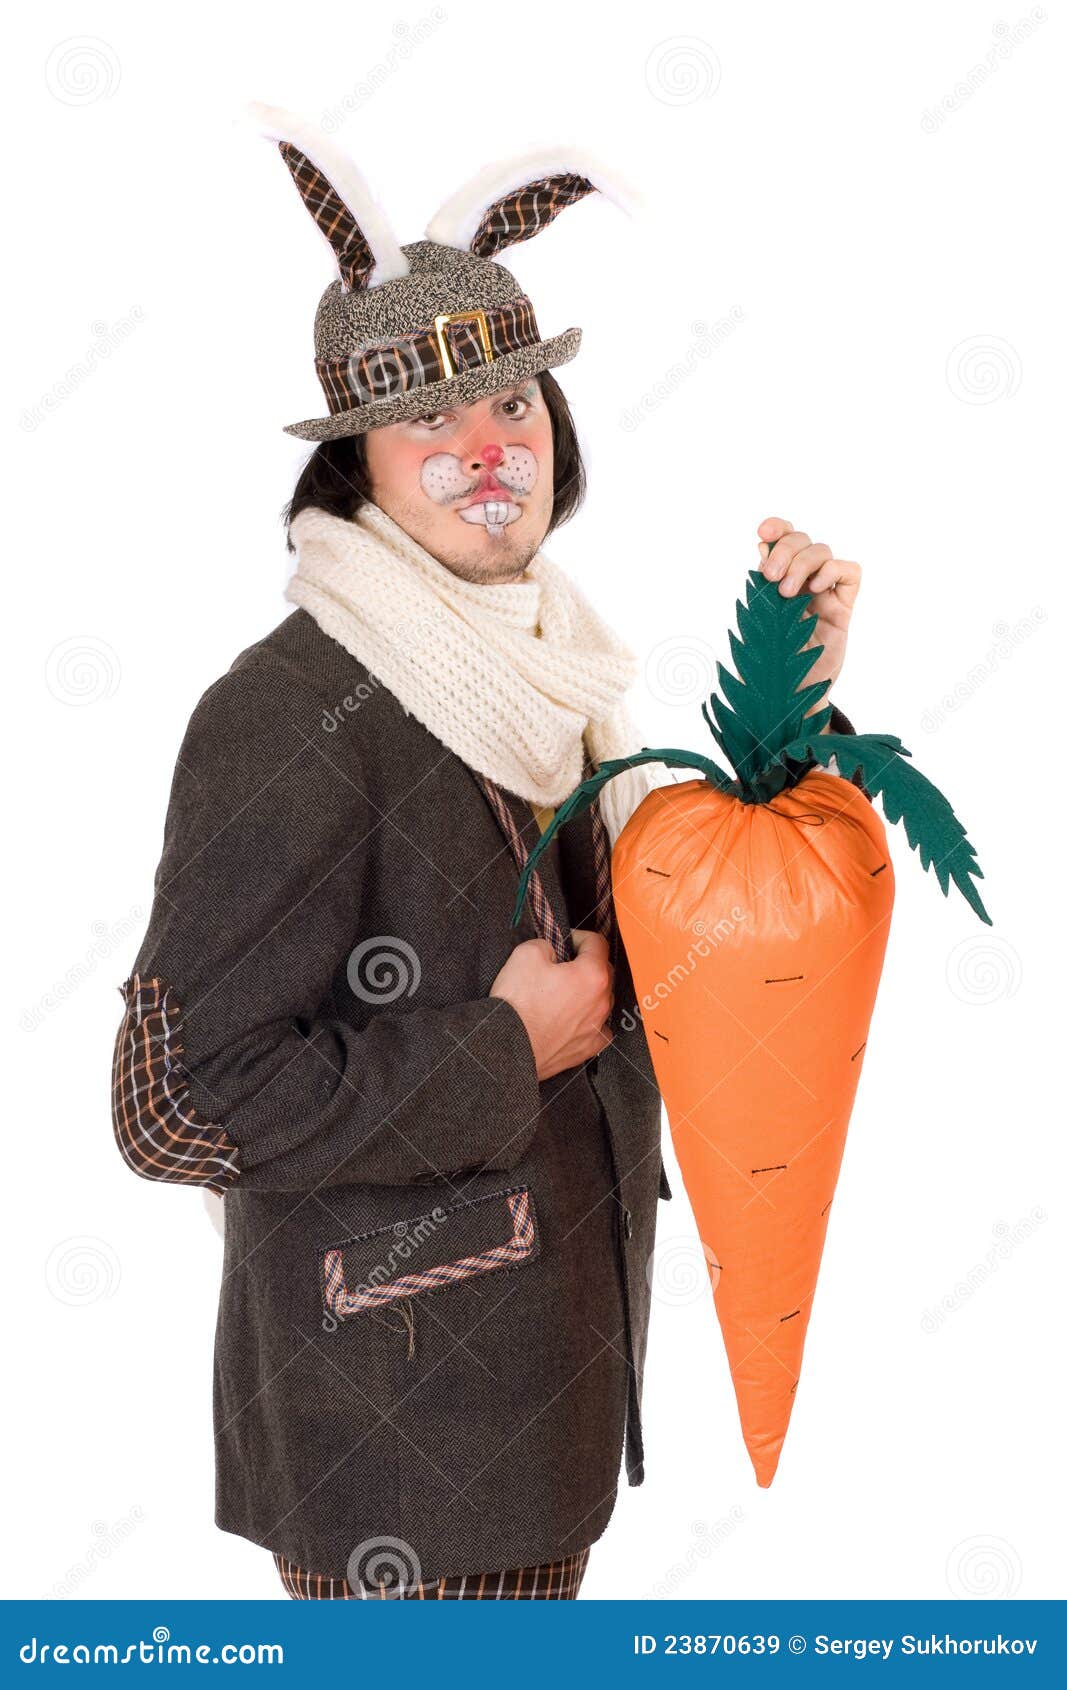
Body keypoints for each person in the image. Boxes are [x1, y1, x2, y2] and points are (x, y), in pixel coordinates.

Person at [110, 106, 860, 1600]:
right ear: (356, 469)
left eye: (513, 405)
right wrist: (499, 1048)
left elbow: (687, 942)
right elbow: (172, 1106)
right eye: (430, 421)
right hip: (390, 1444)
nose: (484, 449)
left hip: (539, 1412)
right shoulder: (291, 709)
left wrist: (796, 710)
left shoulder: (553, 673)